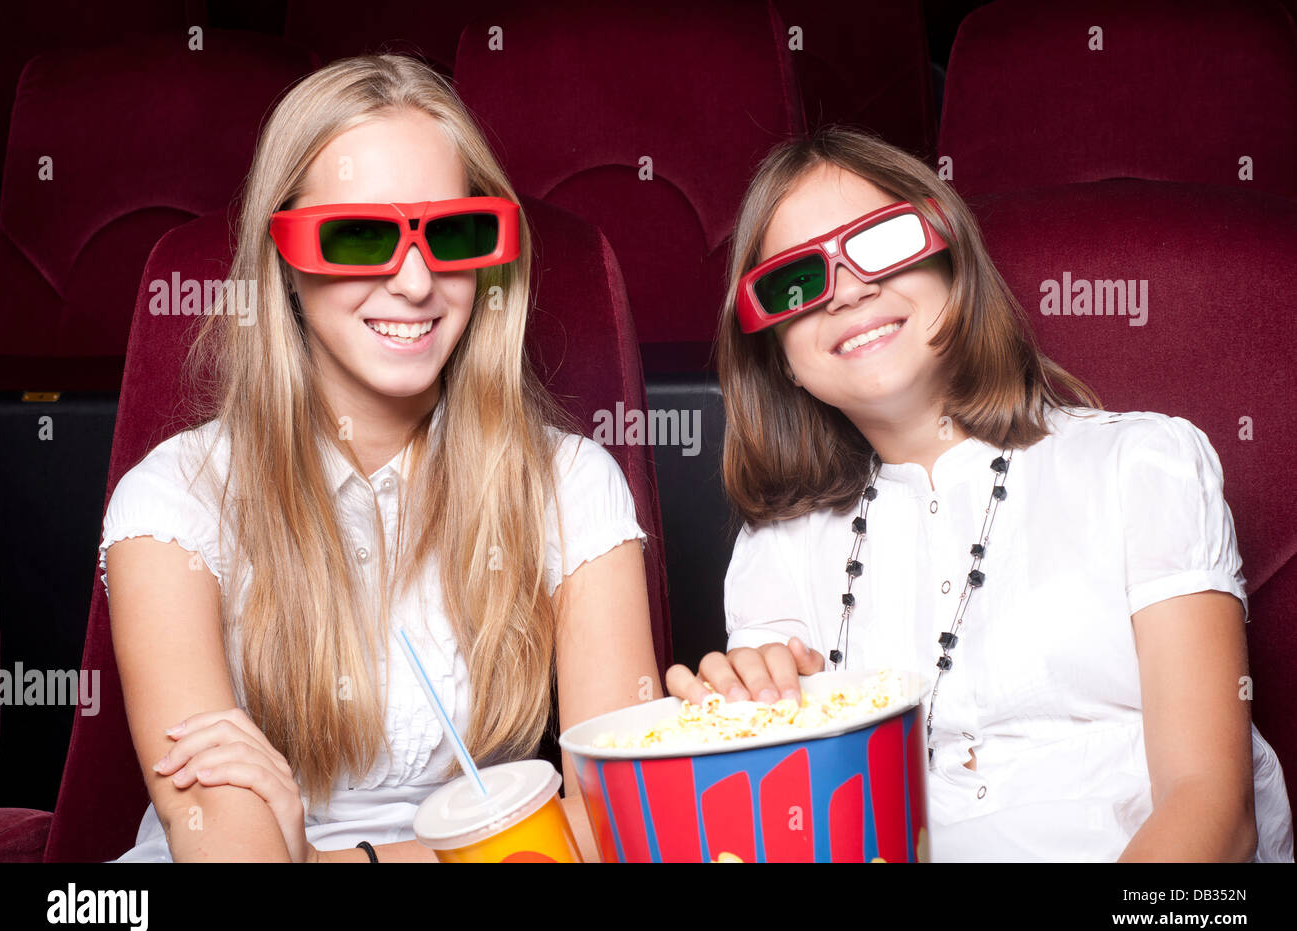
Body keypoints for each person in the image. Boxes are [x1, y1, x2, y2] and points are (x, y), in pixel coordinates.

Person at [665, 125, 1293, 862]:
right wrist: (738, 736)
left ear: (951, 261)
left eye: (882, 241)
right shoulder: (777, 551)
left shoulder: (1143, 465)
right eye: (795, 282)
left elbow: (1214, 810)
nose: (848, 289)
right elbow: (795, 831)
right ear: (784, 360)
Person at [100, 54, 659, 862]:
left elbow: (616, 826)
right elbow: (228, 850)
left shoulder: (571, 485)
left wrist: (324, 858)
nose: (416, 280)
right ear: (283, 259)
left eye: (456, 233)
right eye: (360, 236)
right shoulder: (174, 502)